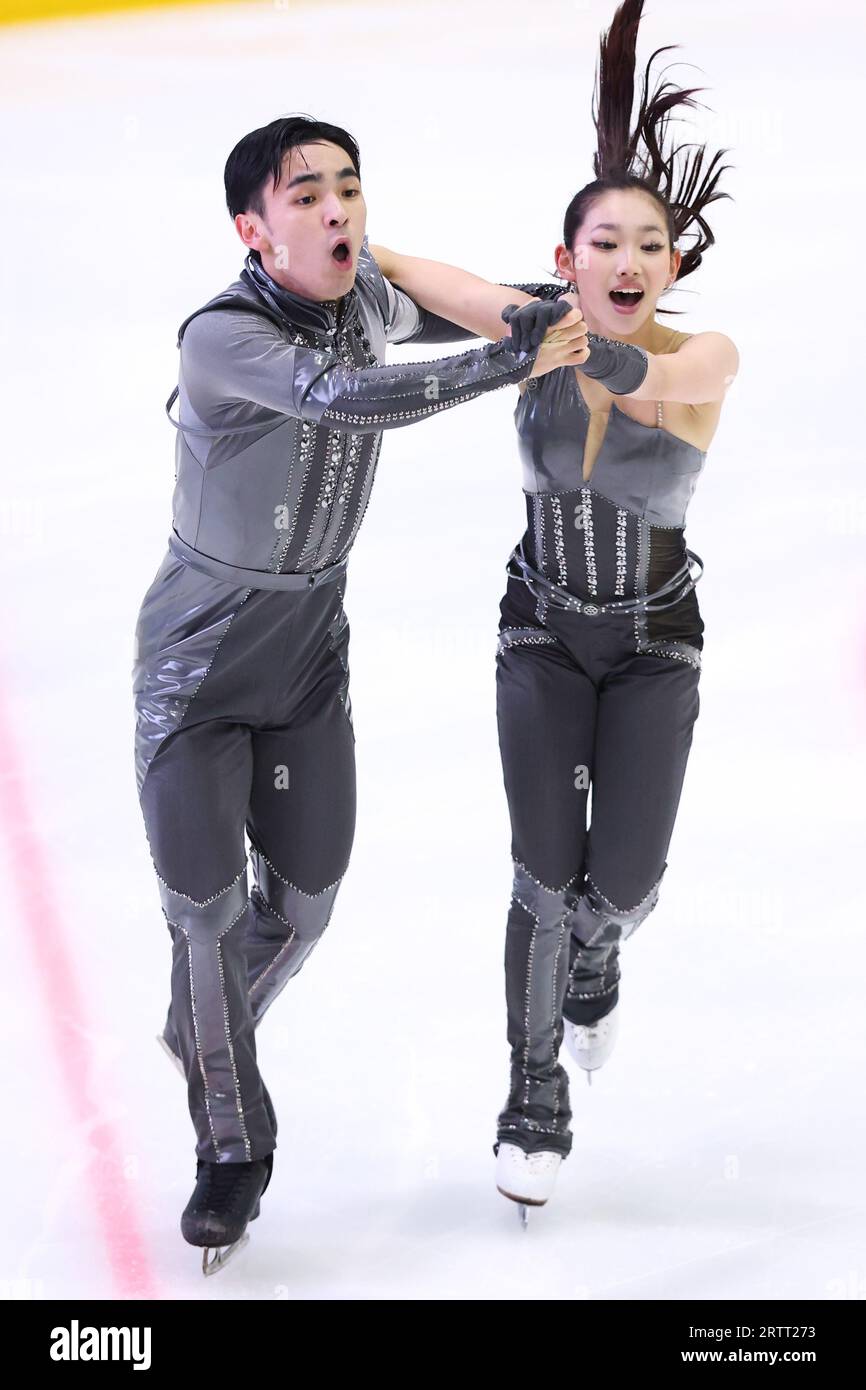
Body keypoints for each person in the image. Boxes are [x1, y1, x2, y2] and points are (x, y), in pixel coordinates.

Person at [132, 114, 588, 1272]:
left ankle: (204, 1027)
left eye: (349, 187)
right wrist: (507, 359)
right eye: (307, 195)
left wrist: (579, 290)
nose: (338, 210)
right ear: (253, 225)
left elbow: (462, 303)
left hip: (303, 657)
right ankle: (232, 1147)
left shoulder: (365, 299)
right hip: (197, 663)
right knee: (204, 912)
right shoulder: (223, 338)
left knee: (305, 902)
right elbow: (345, 399)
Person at [369, 0, 739, 1217]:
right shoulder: (542, 313)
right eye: (602, 243)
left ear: (670, 263)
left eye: (648, 244)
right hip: (539, 627)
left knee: (617, 886)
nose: (627, 260)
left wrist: (560, 331)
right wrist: (346, 246)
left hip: (650, 645)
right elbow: (440, 283)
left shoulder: (703, 352)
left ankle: (599, 956)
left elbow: (648, 378)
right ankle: (532, 1091)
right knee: (542, 871)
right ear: (567, 253)